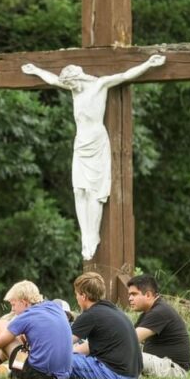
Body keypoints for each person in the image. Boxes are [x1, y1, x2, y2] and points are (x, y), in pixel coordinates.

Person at [21, 54, 166, 259]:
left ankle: (93, 236)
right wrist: (36, 70)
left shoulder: (99, 85)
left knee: (94, 192)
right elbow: (53, 80)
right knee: (79, 190)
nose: (71, 88)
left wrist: (148, 64)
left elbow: (125, 75)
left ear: (79, 78)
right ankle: (85, 236)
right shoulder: (74, 89)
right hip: (80, 144)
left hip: (97, 143)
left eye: (72, 84)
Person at [0, 281, 72, 379]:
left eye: (13, 304)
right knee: (13, 339)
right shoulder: (54, 307)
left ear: (24, 302)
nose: (12, 310)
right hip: (63, 375)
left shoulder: (27, 315)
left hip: (37, 375)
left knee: (1, 325)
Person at [69, 272, 141, 379]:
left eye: (76, 294)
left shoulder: (90, 315)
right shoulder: (113, 310)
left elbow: (62, 345)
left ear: (83, 296)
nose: (76, 298)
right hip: (132, 375)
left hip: (116, 374)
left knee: (61, 360)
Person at [127, 274, 190, 378]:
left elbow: (129, 340)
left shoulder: (159, 312)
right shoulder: (148, 313)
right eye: (129, 295)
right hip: (163, 364)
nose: (130, 298)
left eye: (134, 294)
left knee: (125, 355)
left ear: (148, 295)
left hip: (175, 370)